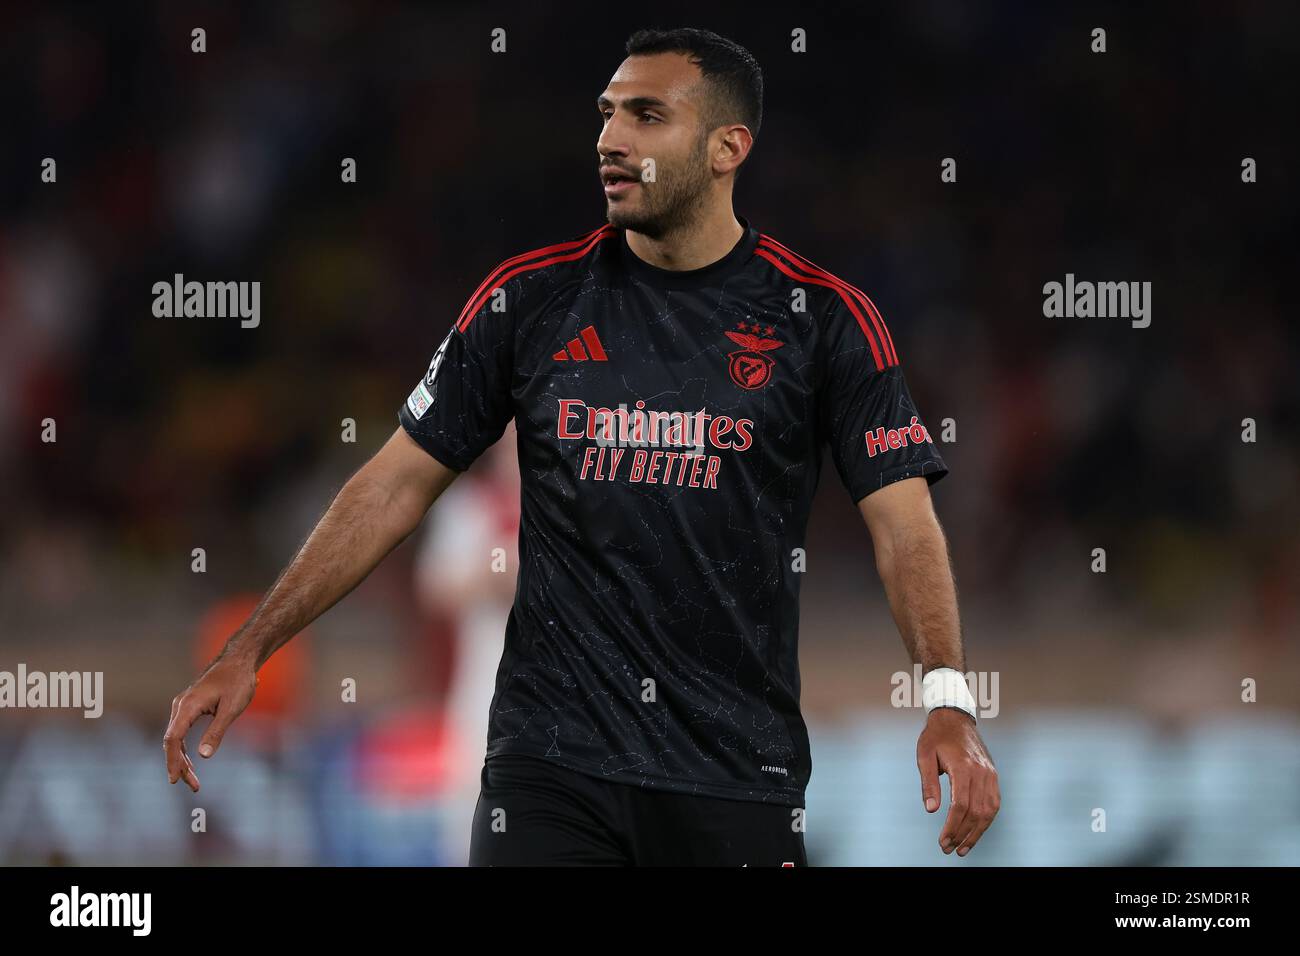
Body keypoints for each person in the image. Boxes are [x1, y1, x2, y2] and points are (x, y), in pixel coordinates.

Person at [164, 26, 1000, 866]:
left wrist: (947, 699)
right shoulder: (527, 303)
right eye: (607, 114)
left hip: (737, 776)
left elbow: (904, 525)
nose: (610, 138)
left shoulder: (823, 320)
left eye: (647, 115)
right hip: (548, 773)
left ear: (727, 148)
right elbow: (391, 486)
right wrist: (251, 646)